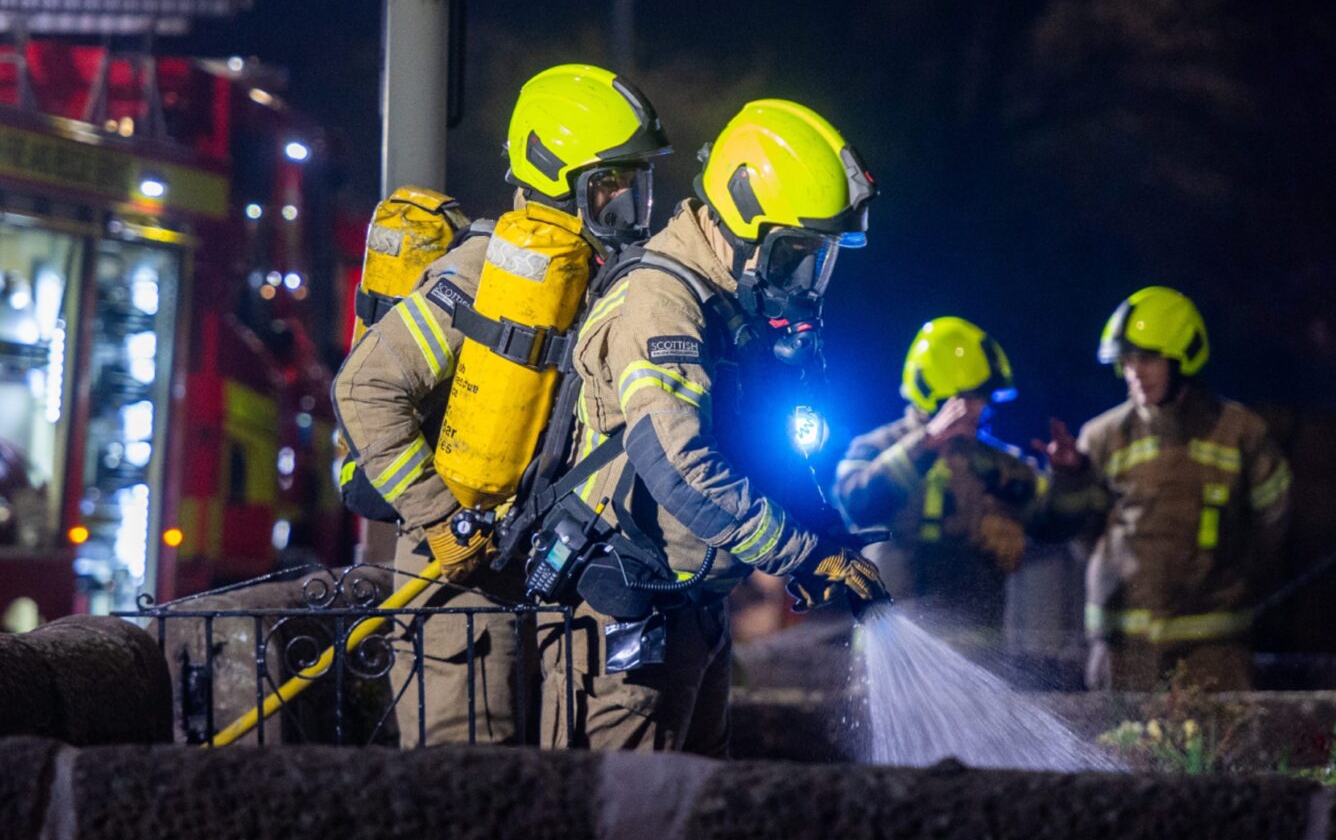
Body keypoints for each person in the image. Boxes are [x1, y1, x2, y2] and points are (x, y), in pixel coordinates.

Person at [330, 63, 671, 745]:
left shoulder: (592, 276)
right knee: (466, 795)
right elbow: (363, 389)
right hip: (452, 587)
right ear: (557, 176)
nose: (631, 204)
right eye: (612, 184)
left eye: (637, 183)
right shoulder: (479, 272)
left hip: (539, 581)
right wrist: (437, 519)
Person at [535, 98, 887, 754]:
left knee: (692, 822)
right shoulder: (663, 301)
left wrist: (824, 530)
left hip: (695, 606)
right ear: (746, 218)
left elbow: (762, 447)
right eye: (800, 253)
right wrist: (801, 553)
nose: (809, 278)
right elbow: (678, 466)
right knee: (627, 829)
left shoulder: (732, 300)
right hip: (630, 615)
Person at [1041, 286, 1291, 692]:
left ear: (1184, 357)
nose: (1134, 372)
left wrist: (1227, 586)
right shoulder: (1102, 437)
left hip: (1213, 649)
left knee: (1213, 753)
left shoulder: (1241, 433)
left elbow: (1272, 531)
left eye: (1148, 358)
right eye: (1127, 360)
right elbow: (1077, 532)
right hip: (1121, 649)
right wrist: (1070, 478)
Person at [834, 317, 1066, 627]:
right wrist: (925, 444)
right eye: (972, 397)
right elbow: (856, 504)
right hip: (893, 653)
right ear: (936, 392)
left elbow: (1058, 524)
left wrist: (1071, 476)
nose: (982, 408)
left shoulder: (1001, 463)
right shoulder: (875, 447)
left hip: (978, 646)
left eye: (984, 398)